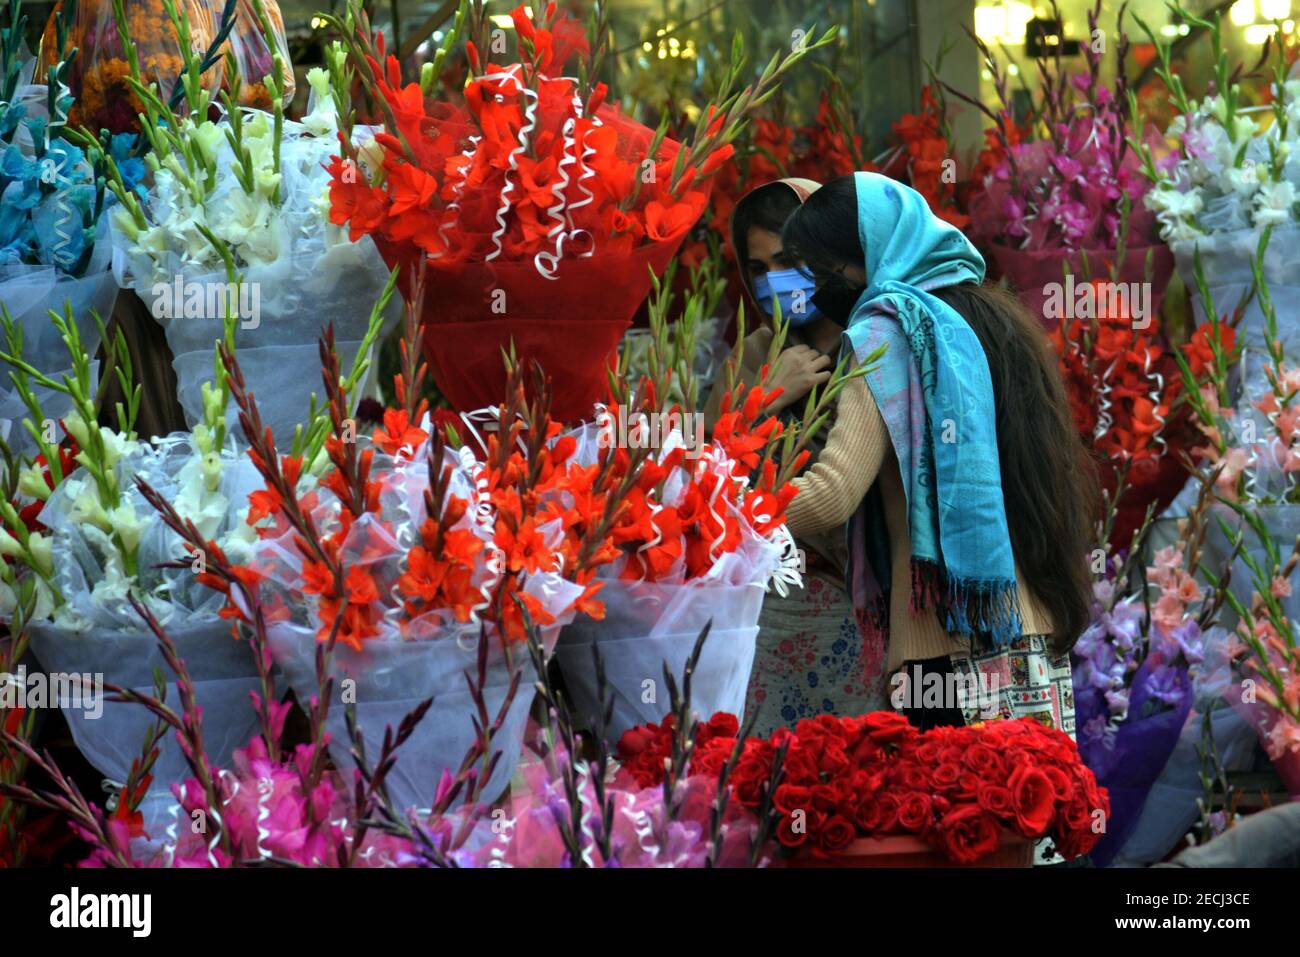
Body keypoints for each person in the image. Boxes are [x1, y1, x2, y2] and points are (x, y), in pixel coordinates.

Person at [777, 171, 1096, 737]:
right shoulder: (994, 320)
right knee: (1037, 815)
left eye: (824, 267)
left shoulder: (884, 332)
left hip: (942, 652)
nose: (815, 286)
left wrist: (725, 504)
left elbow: (831, 494)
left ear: (866, 254)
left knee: (956, 820)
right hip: (1029, 640)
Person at [719, 179, 888, 734]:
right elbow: (706, 473)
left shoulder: (874, 344)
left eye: (789, 259)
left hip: (864, 608)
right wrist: (764, 395)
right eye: (759, 267)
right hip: (771, 616)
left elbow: (847, 490)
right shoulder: (753, 355)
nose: (775, 280)